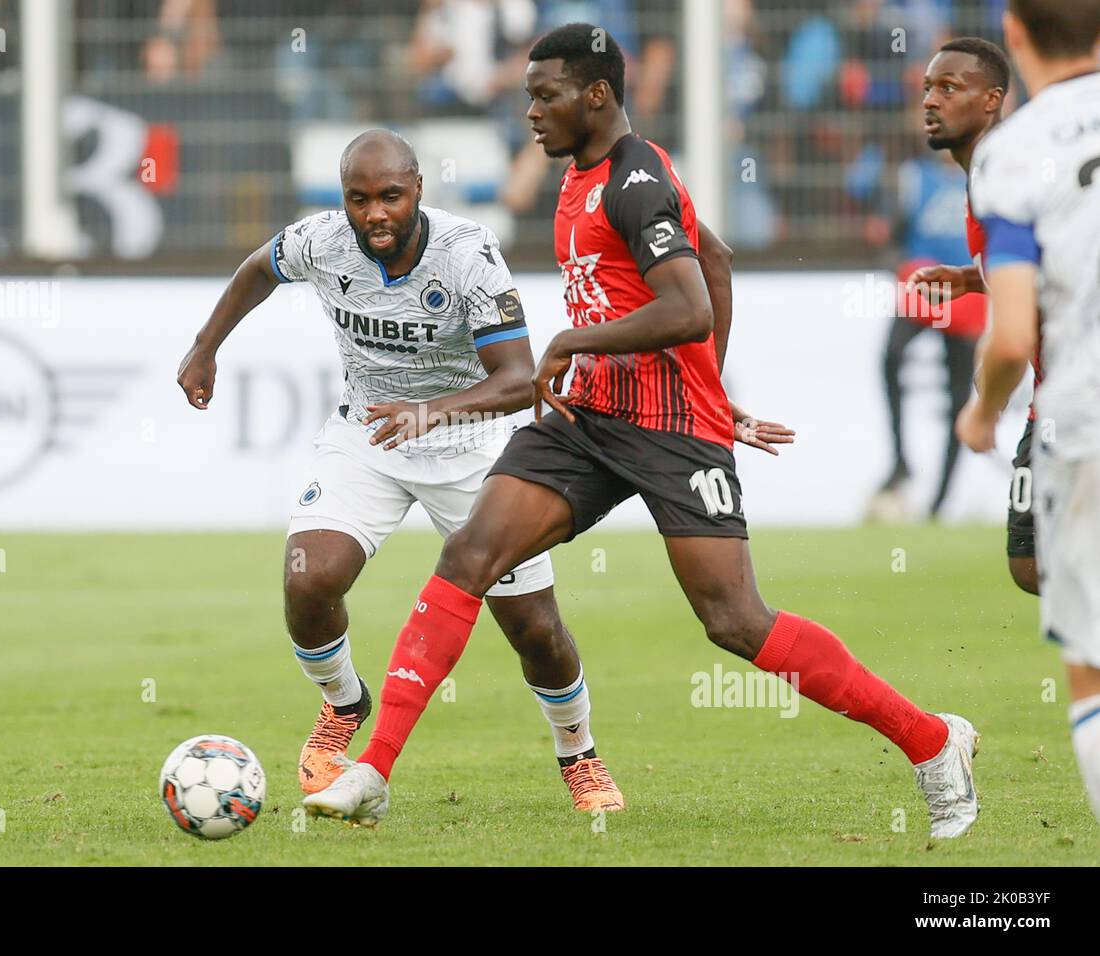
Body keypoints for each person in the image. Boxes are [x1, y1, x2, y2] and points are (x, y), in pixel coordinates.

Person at [304, 23, 978, 839]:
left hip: (668, 430)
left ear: (596, 96)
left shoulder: (633, 180)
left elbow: (690, 300)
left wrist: (627, 359)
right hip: (588, 418)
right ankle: (374, 769)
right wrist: (707, 378)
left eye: (545, 95)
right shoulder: (579, 175)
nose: (531, 113)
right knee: (469, 554)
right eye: (528, 97)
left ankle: (935, 742)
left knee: (735, 621)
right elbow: (717, 257)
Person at [177, 128, 629, 812]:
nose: (375, 214)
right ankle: (342, 703)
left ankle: (579, 753)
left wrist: (433, 412)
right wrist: (205, 346)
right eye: (359, 199)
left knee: (535, 629)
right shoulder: (321, 241)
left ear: (418, 188)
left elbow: (517, 381)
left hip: (473, 445)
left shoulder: (467, 253)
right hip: (368, 434)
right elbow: (257, 270)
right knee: (309, 579)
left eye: (390, 196)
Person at [957, 0, 1100, 821]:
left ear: (1014, 35)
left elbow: (1013, 337)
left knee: (1090, 660)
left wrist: (982, 413)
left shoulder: (1012, 155)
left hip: (1080, 422)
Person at [870, 37, 1006, 521]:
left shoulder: (998, 171)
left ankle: (940, 501)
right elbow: (895, 235)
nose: (931, 102)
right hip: (935, 281)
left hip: (973, 293)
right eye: (928, 90)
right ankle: (901, 460)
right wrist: (902, 269)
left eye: (946, 89)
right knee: (889, 358)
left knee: (956, 394)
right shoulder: (916, 173)